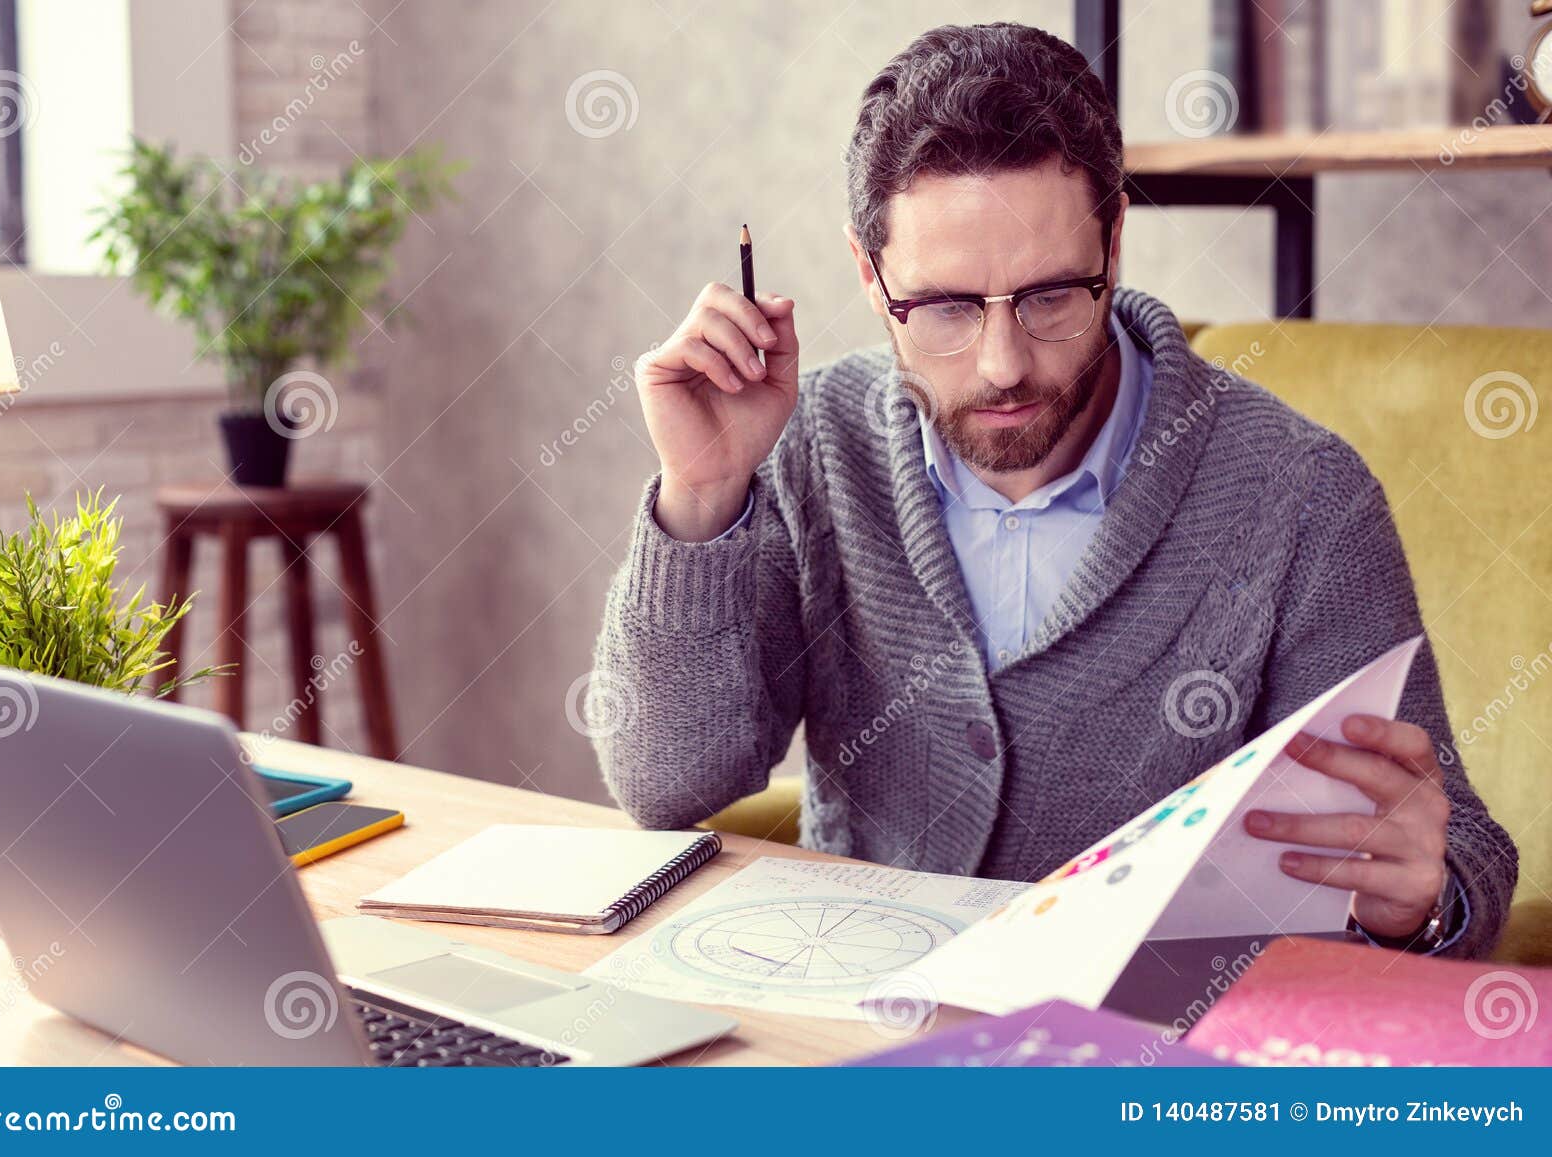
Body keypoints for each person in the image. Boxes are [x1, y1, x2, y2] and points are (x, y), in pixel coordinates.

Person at [591, 22, 1515, 957]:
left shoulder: (1304, 496)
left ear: (1114, 239)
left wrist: (1418, 902)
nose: (1003, 365)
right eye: (945, 306)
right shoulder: (814, 444)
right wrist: (702, 496)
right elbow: (666, 785)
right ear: (870, 277)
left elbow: (1460, 855)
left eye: (1050, 297)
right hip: (862, 1029)